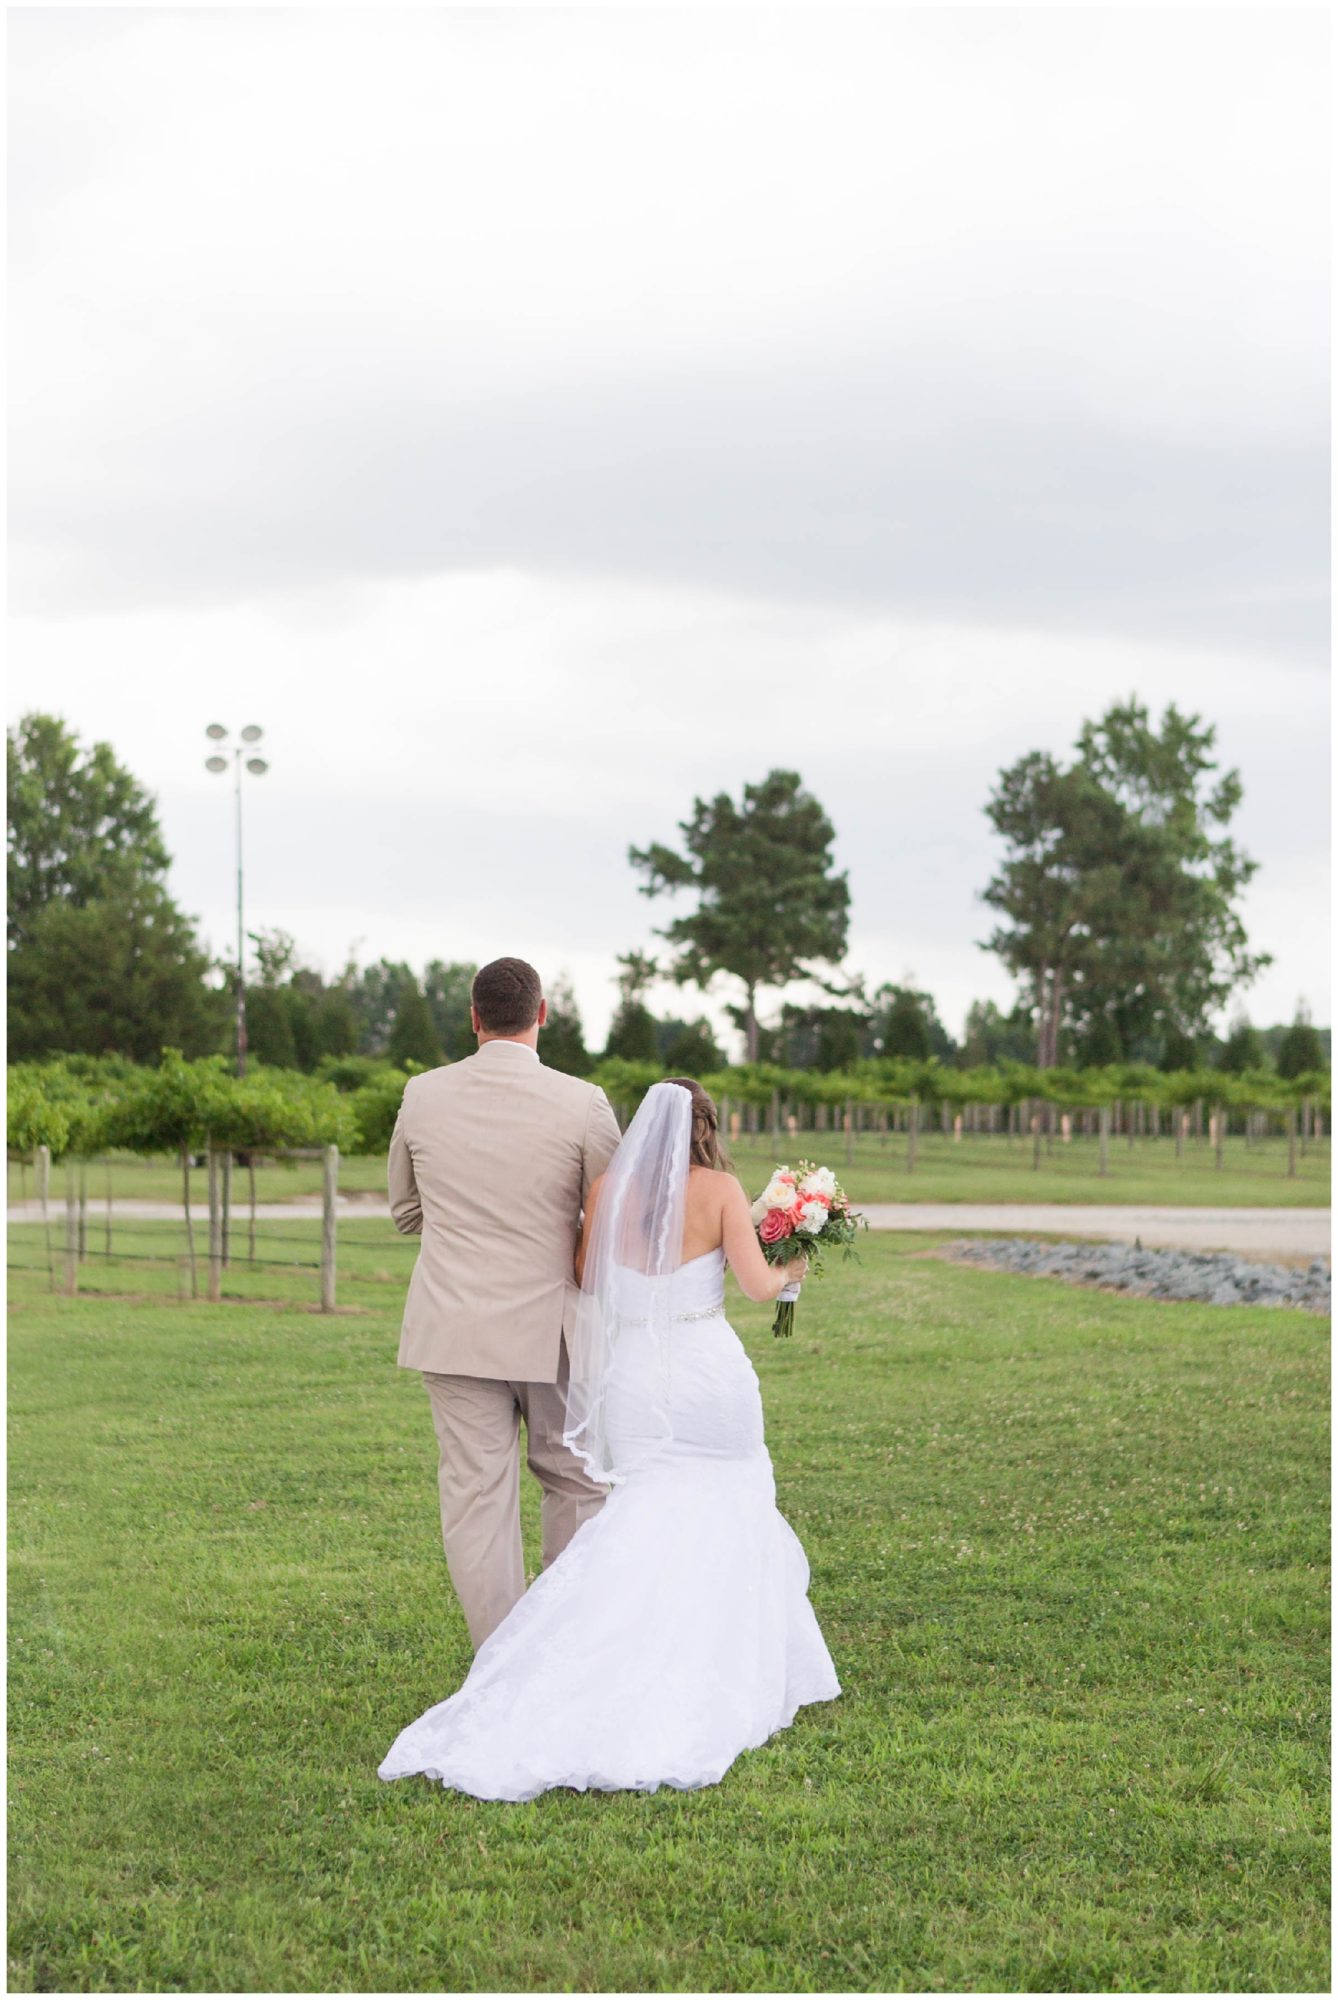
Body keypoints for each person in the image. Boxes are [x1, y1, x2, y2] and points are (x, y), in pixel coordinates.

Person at [378, 1076, 840, 1801]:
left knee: (639, 1511)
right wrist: (795, 1265)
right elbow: (758, 1286)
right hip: (704, 1375)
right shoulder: (720, 1190)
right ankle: (713, 1655)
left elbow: (586, 1279)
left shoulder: (607, 1193)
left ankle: (592, 1653)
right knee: (730, 1499)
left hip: (632, 1383)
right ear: (709, 1127)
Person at [387, 955, 622, 1651]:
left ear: (474, 1017)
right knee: (575, 1483)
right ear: (541, 1014)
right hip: (553, 1331)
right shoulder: (584, 1102)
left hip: (453, 1327)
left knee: (477, 1499)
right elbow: (610, 1221)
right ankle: (562, 1650)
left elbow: (405, 1211)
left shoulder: (421, 1094)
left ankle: (500, 1662)